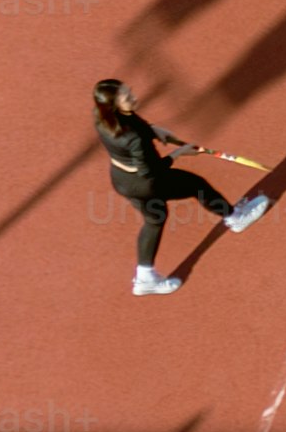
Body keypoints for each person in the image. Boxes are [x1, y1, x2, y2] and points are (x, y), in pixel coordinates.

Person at [97, 77, 268, 295]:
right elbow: (151, 171)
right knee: (197, 185)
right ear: (113, 106)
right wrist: (179, 153)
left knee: (154, 220)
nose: (134, 97)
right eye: (128, 97)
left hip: (123, 181)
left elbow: (131, 121)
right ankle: (236, 218)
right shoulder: (134, 139)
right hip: (147, 182)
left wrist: (153, 130)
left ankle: (144, 278)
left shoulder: (102, 118)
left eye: (130, 91)